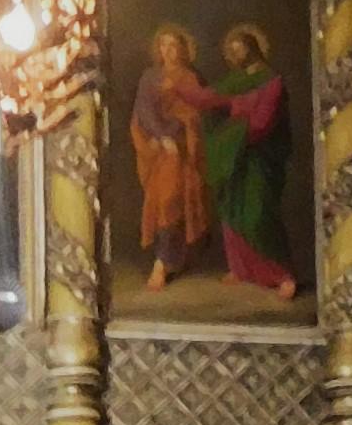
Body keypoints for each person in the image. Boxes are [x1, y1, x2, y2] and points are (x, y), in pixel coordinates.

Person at [191, 21, 300, 296]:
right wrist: (178, 90)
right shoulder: (235, 80)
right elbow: (208, 100)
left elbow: (263, 122)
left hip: (260, 156)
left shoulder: (271, 80)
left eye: (240, 49)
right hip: (235, 156)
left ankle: (282, 275)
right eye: (232, 51)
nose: (236, 56)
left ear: (253, 48)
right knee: (231, 211)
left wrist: (232, 133)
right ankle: (241, 268)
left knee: (258, 213)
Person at [125, 24, 217, 285]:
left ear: (183, 49)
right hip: (155, 145)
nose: (169, 50)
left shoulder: (190, 77)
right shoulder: (150, 76)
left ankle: (163, 262)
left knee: (175, 199)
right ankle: (166, 259)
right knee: (163, 201)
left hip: (184, 146)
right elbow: (143, 110)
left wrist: (173, 133)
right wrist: (161, 136)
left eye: (173, 45)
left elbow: (192, 112)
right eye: (164, 45)